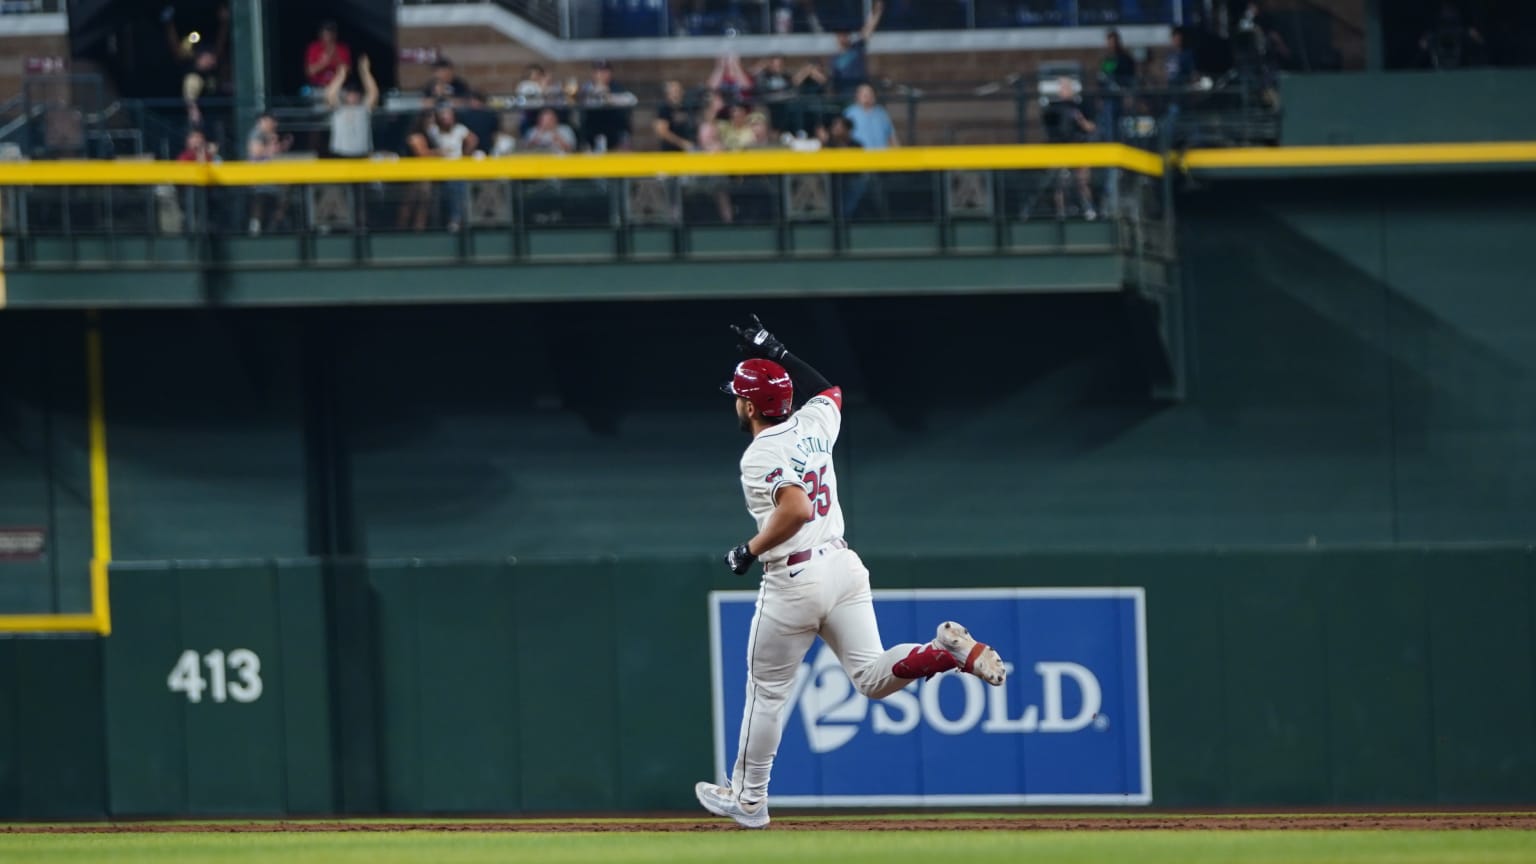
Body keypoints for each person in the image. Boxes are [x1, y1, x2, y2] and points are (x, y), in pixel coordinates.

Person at [696, 315, 1007, 830]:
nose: (735, 402)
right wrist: (775, 348)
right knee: (869, 676)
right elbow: (830, 390)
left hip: (794, 578)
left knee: (767, 692)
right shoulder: (815, 423)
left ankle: (750, 800)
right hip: (842, 565)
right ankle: (942, 653)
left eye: (738, 396)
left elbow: (793, 509)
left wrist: (747, 550)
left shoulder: (759, 454)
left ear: (750, 406)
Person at [426, 104, 478, 231]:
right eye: (443, 116)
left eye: (449, 115)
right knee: (449, 188)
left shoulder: (459, 129)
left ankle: (456, 220)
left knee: (458, 187)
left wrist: (465, 156)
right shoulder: (434, 130)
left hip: (458, 167)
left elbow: (473, 139)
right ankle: (452, 220)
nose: (446, 118)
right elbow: (427, 124)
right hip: (441, 168)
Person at [245, 113, 293, 234]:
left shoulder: (269, 134)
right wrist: (272, 145)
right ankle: (255, 229)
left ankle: (275, 224)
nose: (273, 124)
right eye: (271, 121)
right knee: (259, 201)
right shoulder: (257, 133)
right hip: (258, 175)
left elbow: (273, 154)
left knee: (284, 193)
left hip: (270, 175)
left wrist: (281, 146)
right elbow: (256, 153)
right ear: (263, 121)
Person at [325, 56, 378, 158]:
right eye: (350, 93)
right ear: (345, 95)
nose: (353, 96)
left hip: (362, 154)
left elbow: (373, 93)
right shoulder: (338, 108)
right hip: (340, 154)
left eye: (356, 93)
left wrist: (365, 71)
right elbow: (330, 95)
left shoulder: (364, 108)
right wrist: (340, 75)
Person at [829, 0, 883, 96]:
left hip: (862, 90)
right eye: (840, 35)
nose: (843, 37)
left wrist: (877, 12)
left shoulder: (857, 46)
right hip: (845, 93)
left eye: (845, 35)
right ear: (837, 37)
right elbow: (834, 82)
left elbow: (868, 29)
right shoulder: (834, 59)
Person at [841, 84, 896, 150]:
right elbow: (843, 137)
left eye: (870, 94)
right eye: (864, 95)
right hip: (859, 155)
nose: (868, 97)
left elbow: (891, 136)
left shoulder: (881, 113)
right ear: (857, 96)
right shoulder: (849, 113)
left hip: (881, 155)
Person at [304, 20, 351, 90]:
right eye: (326, 32)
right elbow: (310, 71)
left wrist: (336, 59)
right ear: (321, 33)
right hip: (318, 87)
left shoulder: (342, 48)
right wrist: (325, 62)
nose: (329, 35)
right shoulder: (314, 47)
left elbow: (347, 71)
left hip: (338, 87)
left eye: (332, 32)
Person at [654, 81, 697, 152]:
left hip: (687, 151)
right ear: (668, 94)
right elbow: (662, 131)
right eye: (673, 91)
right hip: (670, 152)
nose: (676, 94)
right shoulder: (664, 108)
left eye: (678, 91)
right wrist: (682, 143)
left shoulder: (686, 107)